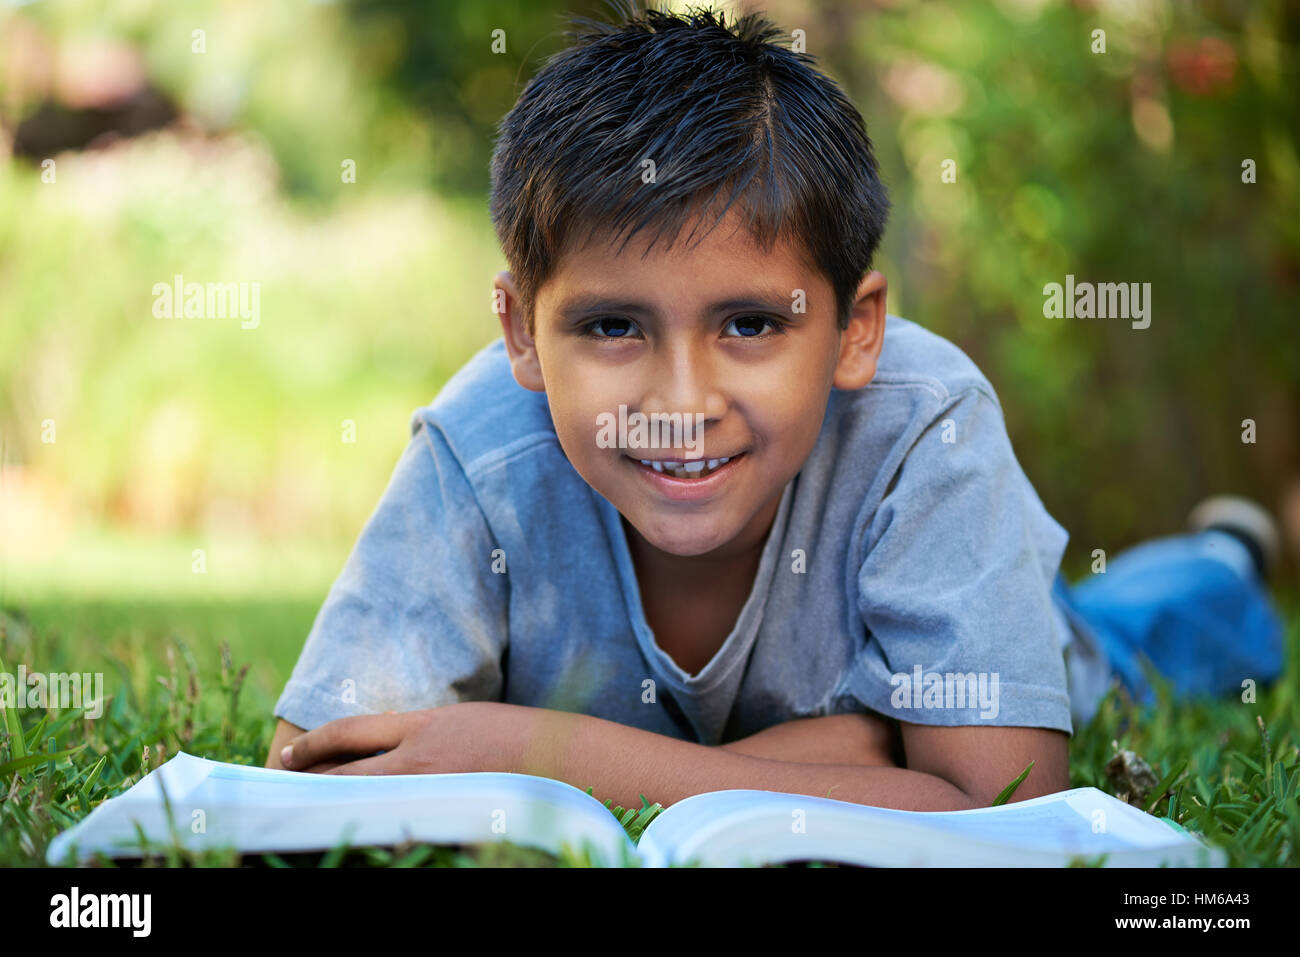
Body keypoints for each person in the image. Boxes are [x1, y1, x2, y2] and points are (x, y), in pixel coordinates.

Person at [263, 5, 1285, 811]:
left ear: (854, 330)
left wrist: (547, 749)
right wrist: (866, 749)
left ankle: (1219, 564)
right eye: (612, 327)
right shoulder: (479, 447)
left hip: (1048, 636)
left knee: (1129, 643)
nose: (681, 401)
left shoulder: (925, 422)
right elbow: (316, 762)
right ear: (521, 332)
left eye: (749, 324)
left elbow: (997, 796)